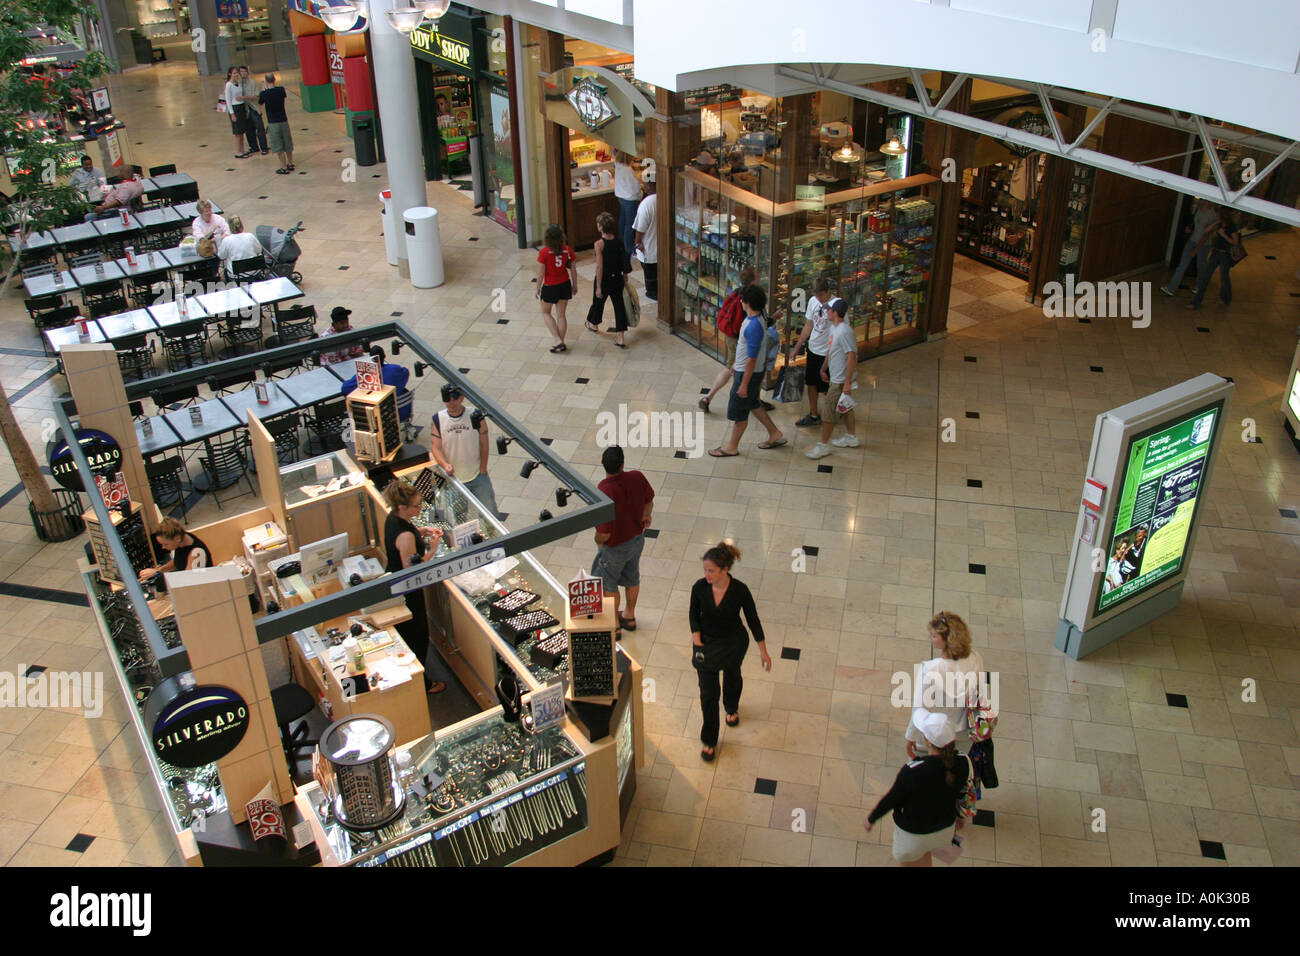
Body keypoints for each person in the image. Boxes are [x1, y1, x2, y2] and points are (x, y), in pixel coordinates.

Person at [689, 541, 771, 761]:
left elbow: (752, 620)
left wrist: (763, 650)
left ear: (725, 570)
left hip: (733, 643)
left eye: (711, 571)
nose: (707, 575)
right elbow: (693, 615)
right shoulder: (699, 587)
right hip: (706, 645)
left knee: (732, 677)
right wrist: (696, 639)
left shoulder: (739, 590)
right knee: (708, 695)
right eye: (705, 570)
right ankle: (709, 740)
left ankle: (731, 707)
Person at [863, 712, 970, 866]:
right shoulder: (963, 762)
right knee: (924, 854)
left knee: (912, 860)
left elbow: (892, 799)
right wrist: (960, 816)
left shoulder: (912, 771)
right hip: (944, 830)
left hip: (913, 836)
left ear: (927, 741)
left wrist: (871, 818)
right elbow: (960, 792)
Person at [382, 480, 447, 694]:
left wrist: (421, 531)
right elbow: (414, 570)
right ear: (402, 507)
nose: (420, 509)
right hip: (408, 594)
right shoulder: (406, 535)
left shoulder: (393, 519)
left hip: (393, 584)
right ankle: (421, 684)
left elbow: (406, 537)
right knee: (417, 637)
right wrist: (433, 549)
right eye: (416, 507)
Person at [709, 285, 786, 456]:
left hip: (747, 375)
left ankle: (731, 447)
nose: (741, 302)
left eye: (742, 299)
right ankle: (775, 433)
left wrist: (743, 384)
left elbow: (751, 359)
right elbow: (746, 354)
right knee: (753, 404)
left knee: (739, 412)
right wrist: (736, 363)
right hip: (745, 371)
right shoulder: (758, 318)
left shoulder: (753, 327)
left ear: (747, 303)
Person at [904, 611, 984, 758]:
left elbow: (919, 708)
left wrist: (910, 736)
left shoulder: (930, 669)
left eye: (934, 636)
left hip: (935, 733)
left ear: (948, 641)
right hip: (965, 732)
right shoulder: (975, 657)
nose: (930, 638)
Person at [591, 446, 654, 633]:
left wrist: (599, 542)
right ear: (622, 464)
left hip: (614, 547)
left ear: (603, 464)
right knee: (632, 577)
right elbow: (649, 499)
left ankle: (614, 626)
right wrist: (646, 515)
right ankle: (629, 616)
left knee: (608, 583)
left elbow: (604, 532)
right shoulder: (637, 477)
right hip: (636, 540)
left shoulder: (604, 490)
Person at [431, 383, 500, 519]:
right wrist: (445, 465)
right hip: (454, 480)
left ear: (462, 398)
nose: (451, 403)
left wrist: (483, 468)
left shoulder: (475, 415)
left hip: (477, 476)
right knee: (458, 517)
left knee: (489, 514)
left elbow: (484, 442)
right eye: (447, 400)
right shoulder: (438, 419)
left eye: (454, 399)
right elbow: (435, 446)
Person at [805, 297, 859, 459]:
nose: (826, 311)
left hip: (840, 380)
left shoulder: (844, 331)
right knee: (846, 406)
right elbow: (831, 350)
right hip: (835, 376)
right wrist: (823, 368)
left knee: (829, 412)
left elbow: (851, 356)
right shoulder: (834, 329)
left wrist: (847, 383)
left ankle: (823, 445)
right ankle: (851, 437)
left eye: (829, 310)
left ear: (835, 313)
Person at [700, 266, 756, 412]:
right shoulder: (749, 297)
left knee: (732, 366)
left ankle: (708, 397)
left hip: (730, 335)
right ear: (753, 280)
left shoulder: (736, 292)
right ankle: (709, 397)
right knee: (732, 369)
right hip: (739, 340)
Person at [790, 277, 833, 428]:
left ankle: (835, 412)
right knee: (811, 383)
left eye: (821, 295)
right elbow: (809, 325)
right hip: (813, 349)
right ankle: (814, 414)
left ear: (827, 291)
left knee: (827, 388)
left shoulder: (836, 306)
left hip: (827, 353)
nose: (818, 299)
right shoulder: (813, 302)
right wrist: (797, 346)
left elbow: (839, 333)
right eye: (816, 295)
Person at [586, 211, 631, 348]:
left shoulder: (599, 244)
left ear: (601, 227)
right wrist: (624, 278)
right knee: (619, 307)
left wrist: (598, 286)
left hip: (605, 279)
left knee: (598, 302)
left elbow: (599, 267)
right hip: (617, 278)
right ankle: (620, 337)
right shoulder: (619, 241)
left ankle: (593, 323)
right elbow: (624, 261)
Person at [1161, 198, 1217, 296]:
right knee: (1182, 265)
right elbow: (1196, 225)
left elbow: (1206, 235)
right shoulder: (1198, 210)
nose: (1199, 201)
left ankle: (1200, 287)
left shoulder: (1211, 215)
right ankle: (1171, 288)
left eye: (1201, 200)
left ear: (1206, 202)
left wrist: (1196, 249)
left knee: (1201, 266)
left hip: (1203, 245)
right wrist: (1190, 229)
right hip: (1192, 240)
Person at [535, 223, 577, 353]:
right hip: (564, 284)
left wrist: (537, 288)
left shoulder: (543, 252)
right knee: (561, 315)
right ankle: (561, 342)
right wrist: (574, 285)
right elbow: (573, 270)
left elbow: (541, 274)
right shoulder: (567, 250)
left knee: (545, 312)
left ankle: (557, 339)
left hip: (550, 286)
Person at [1188, 213, 1243, 311]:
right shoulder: (1218, 224)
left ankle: (1225, 297)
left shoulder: (1231, 227)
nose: (1216, 215)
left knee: (1224, 278)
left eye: (1218, 214)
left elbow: (1235, 242)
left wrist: (1223, 235)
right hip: (1215, 253)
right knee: (1206, 277)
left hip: (1225, 255)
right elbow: (1206, 230)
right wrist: (1216, 223)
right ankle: (1196, 302)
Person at [137, 518, 213, 581]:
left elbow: (189, 579)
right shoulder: (183, 541)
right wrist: (159, 570)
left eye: (165, 544)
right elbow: (178, 560)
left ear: (177, 538)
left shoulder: (197, 553)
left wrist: (156, 574)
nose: (163, 547)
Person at [258, 73, 295, 174]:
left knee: (278, 145)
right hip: (283, 120)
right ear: (274, 80)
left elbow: (260, 102)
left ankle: (283, 167)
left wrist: (264, 90)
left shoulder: (264, 94)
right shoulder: (281, 90)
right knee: (287, 142)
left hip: (273, 122)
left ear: (266, 81)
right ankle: (290, 163)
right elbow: (282, 96)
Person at [632, 169, 658, 301]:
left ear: (651, 184)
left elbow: (640, 228)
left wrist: (637, 243)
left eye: (645, 184)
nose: (644, 187)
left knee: (650, 275)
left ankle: (652, 292)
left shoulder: (647, 204)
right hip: (662, 249)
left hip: (649, 248)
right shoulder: (666, 197)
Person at [613, 151, 642, 259]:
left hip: (621, 197)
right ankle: (629, 249)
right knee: (629, 225)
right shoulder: (628, 170)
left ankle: (623, 245)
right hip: (630, 199)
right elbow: (635, 187)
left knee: (622, 222)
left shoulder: (618, 166)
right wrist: (640, 194)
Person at [239, 65, 268, 157]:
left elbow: (256, 96)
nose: (243, 73)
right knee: (249, 130)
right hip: (245, 109)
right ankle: (254, 147)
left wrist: (244, 97)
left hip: (254, 108)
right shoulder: (239, 84)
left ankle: (264, 147)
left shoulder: (252, 83)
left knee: (260, 129)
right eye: (241, 72)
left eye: (245, 71)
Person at [224, 67, 250, 159]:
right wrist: (232, 114)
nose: (236, 75)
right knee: (237, 133)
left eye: (237, 73)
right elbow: (228, 100)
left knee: (242, 131)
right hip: (235, 109)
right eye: (234, 73)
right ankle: (238, 151)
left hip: (241, 107)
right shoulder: (228, 85)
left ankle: (242, 150)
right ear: (230, 74)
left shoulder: (238, 83)